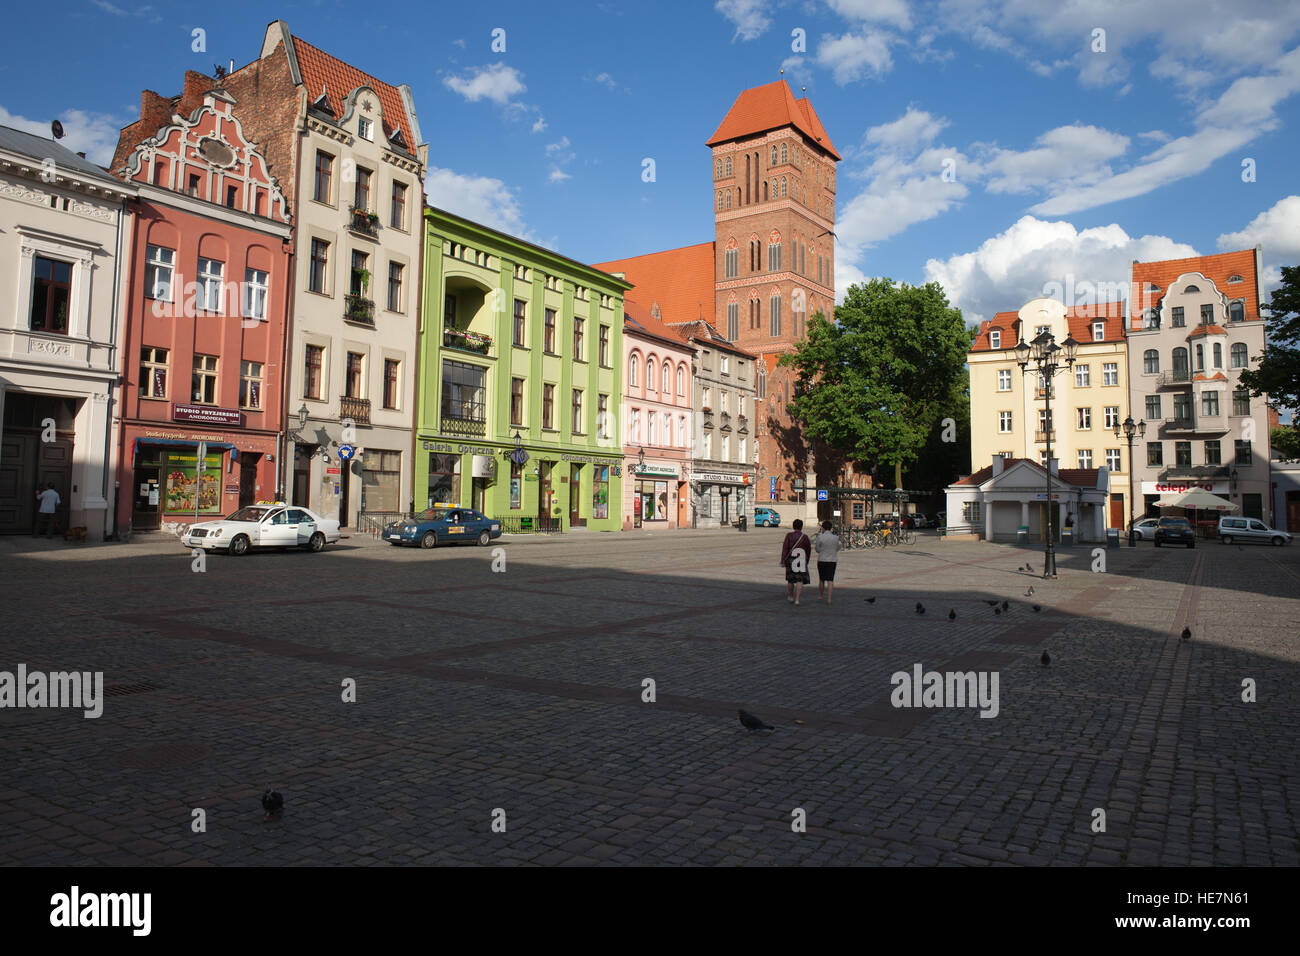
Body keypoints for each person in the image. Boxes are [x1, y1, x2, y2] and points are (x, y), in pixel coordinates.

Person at [780, 518, 812, 606]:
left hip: (791, 559)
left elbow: (785, 549)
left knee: (790, 579)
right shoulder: (804, 537)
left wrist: (783, 560)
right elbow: (808, 550)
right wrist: (807, 560)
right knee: (799, 579)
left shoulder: (789, 535)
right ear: (801, 527)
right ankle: (797, 599)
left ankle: (790, 596)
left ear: (793, 526)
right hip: (801, 559)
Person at [814, 519, 842, 604]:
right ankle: (829, 599)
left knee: (821, 579)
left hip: (822, 559)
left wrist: (821, 551)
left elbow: (817, 549)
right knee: (830, 580)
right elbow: (838, 547)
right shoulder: (836, 537)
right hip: (832, 560)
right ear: (831, 528)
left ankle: (821, 596)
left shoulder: (820, 537)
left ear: (823, 528)